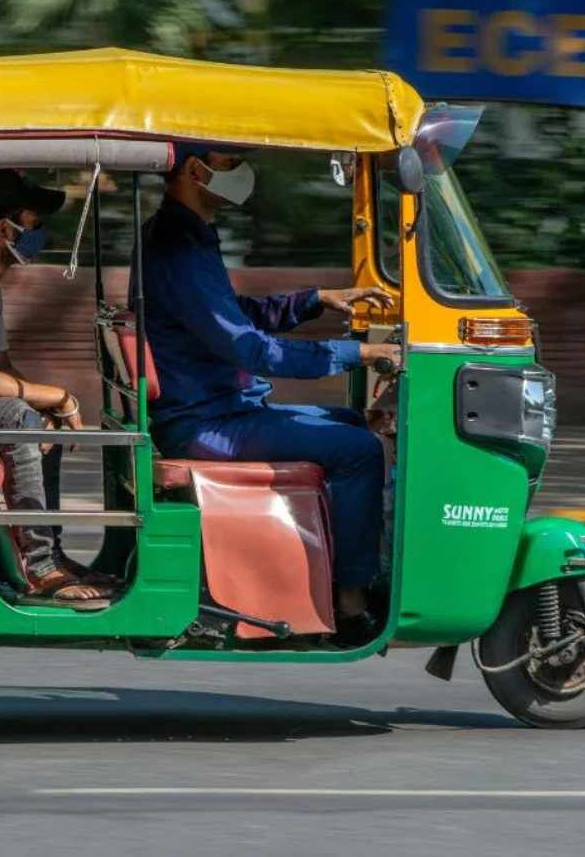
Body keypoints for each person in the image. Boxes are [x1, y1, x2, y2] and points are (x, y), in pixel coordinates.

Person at [134, 144, 400, 644]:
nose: (241, 172)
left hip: (220, 408)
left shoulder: (187, 236)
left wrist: (314, 300)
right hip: (206, 421)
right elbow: (250, 349)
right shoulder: (178, 247)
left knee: (351, 422)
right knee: (360, 451)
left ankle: (335, 567)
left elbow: (235, 317)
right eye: (229, 162)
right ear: (194, 170)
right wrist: (358, 353)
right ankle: (350, 600)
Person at [0, 168, 111, 605]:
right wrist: (62, 398)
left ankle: (53, 552)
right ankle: (39, 566)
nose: (39, 233)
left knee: (36, 413)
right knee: (19, 415)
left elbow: (4, 367)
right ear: (4, 228)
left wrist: (50, 404)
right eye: (33, 222)